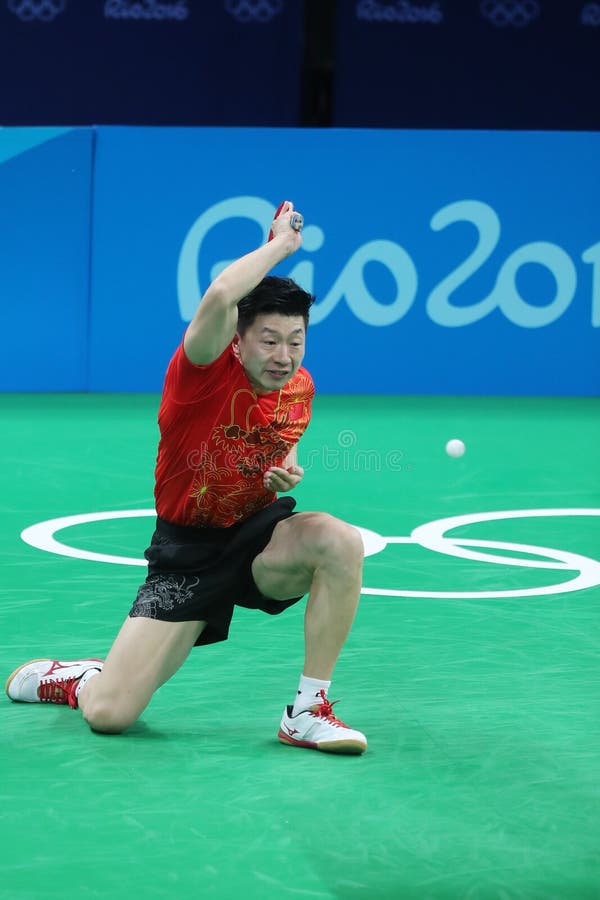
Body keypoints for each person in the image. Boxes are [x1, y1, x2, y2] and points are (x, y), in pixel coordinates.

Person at [5, 200, 367, 755]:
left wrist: (288, 467)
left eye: (295, 341)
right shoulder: (198, 373)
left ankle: (307, 711)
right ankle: (83, 679)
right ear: (238, 340)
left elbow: (282, 433)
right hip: (188, 551)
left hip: (258, 536)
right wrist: (282, 246)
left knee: (340, 541)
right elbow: (222, 297)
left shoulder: (299, 386)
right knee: (110, 715)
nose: (284, 356)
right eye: (269, 340)